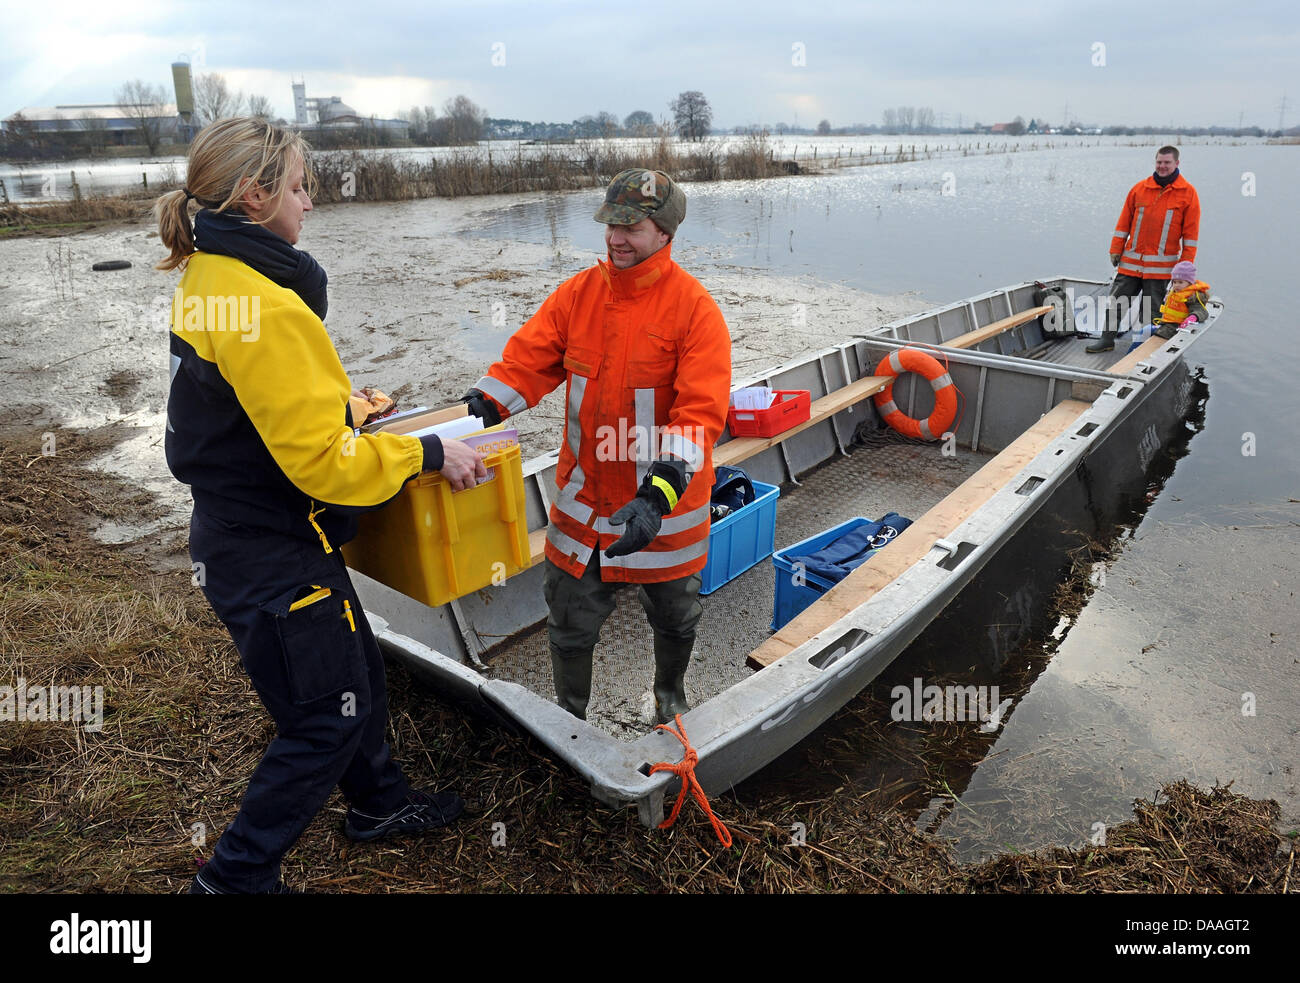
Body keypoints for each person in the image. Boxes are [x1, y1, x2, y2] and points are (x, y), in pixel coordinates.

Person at [156, 117, 483, 894]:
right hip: (272, 547)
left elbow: (254, 413)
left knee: (356, 671)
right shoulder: (267, 307)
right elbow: (327, 468)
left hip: (244, 532)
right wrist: (425, 452)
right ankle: (234, 876)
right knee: (323, 718)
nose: (311, 204)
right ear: (254, 194)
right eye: (300, 188)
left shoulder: (211, 280)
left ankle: (378, 805)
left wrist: (342, 407)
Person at [463, 169, 731, 725]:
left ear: (665, 232)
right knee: (568, 619)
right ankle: (570, 720)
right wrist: (483, 407)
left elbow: (699, 415)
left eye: (631, 227)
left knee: (677, 618)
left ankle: (670, 702)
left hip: (664, 511)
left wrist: (656, 497)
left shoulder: (696, 312)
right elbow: (527, 361)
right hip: (584, 505)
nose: (615, 237)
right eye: (610, 223)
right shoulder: (578, 295)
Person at [1087, 145, 1201, 353]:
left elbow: (1191, 237)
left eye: (1167, 162)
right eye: (1159, 162)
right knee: (1116, 304)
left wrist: (1185, 269)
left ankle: (1143, 350)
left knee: (1150, 312)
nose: (1162, 166)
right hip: (1130, 264)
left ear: (1177, 163)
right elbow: (1123, 223)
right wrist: (1115, 249)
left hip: (1160, 269)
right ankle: (1106, 340)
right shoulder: (1139, 189)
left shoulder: (1188, 194)